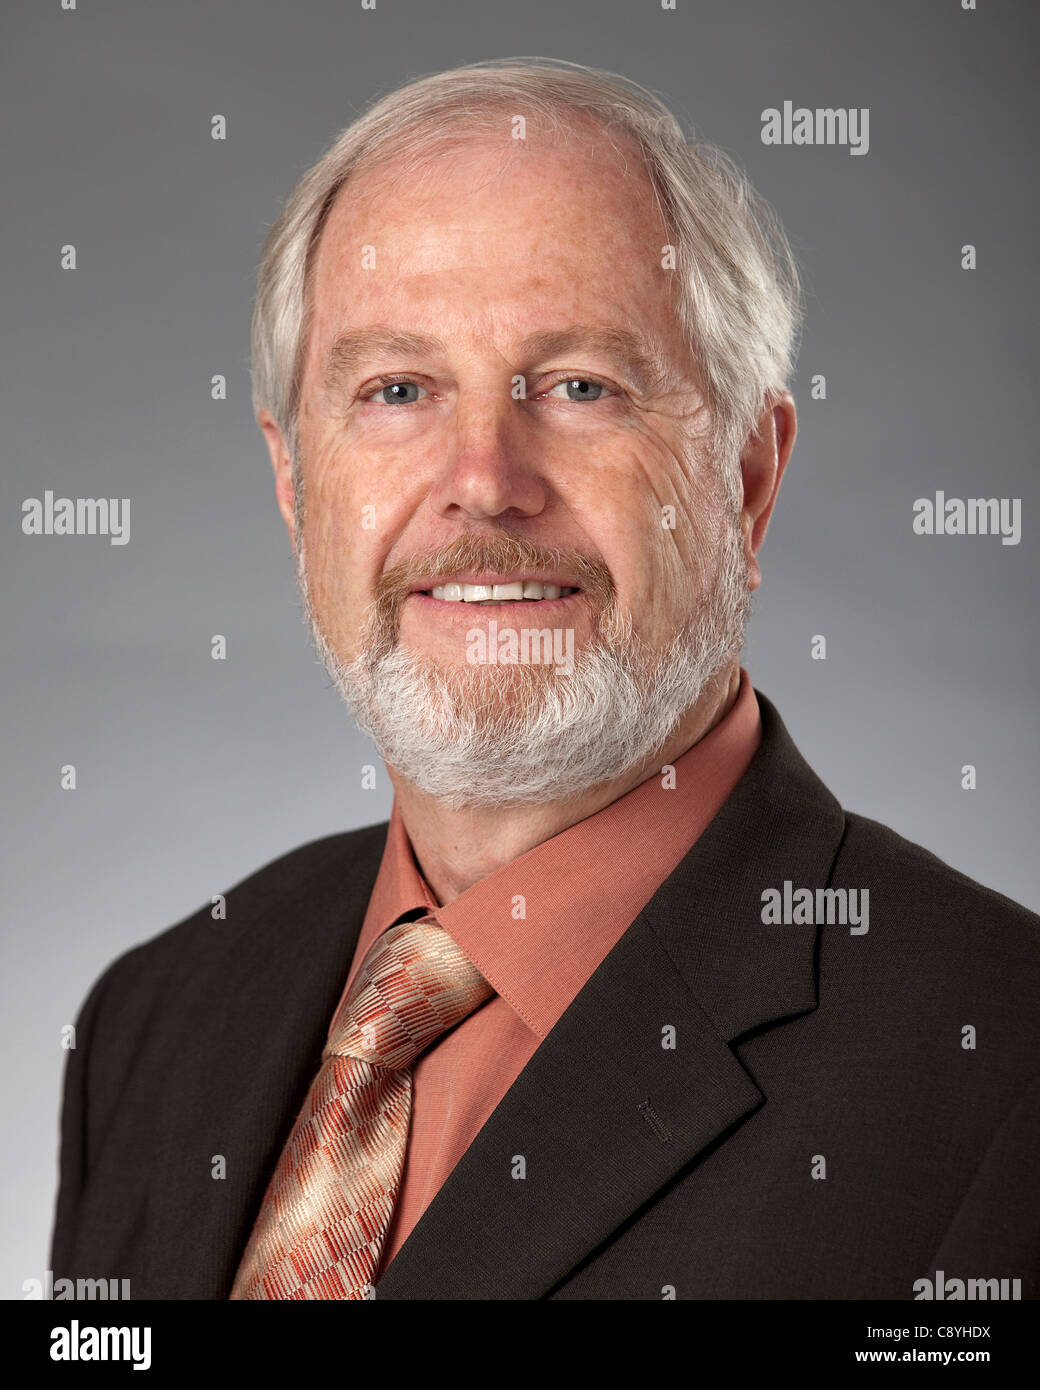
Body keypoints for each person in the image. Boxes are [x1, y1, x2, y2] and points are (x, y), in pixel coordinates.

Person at [51, 57, 1040, 1301]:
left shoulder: (1000, 1072)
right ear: (295, 483)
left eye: (580, 386)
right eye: (396, 389)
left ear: (744, 476)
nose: (483, 477)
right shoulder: (152, 1022)